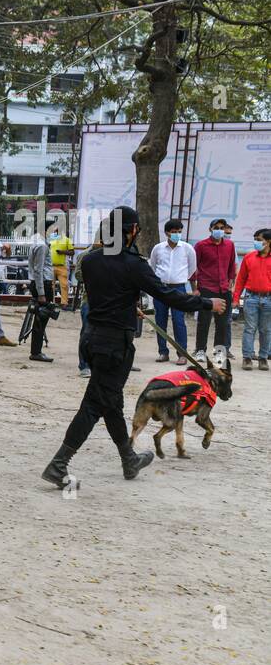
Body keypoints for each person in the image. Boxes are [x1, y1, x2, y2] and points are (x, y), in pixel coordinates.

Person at [41, 206, 224, 488]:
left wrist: (128, 305)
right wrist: (206, 303)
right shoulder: (134, 264)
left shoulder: (90, 261)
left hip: (92, 338)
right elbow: (167, 295)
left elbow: (107, 294)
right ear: (132, 230)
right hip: (115, 345)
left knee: (111, 402)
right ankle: (58, 464)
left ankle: (128, 458)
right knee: (94, 404)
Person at [148, 218, 196, 365]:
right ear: (167, 233)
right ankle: (163, 352)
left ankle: (182, 354)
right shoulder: (158, 248)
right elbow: (153, 265)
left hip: (179, 288)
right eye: (174, 232)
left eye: (179, 232)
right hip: (161, 288)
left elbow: (192, 268)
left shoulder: (187, 248)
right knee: (160, 320)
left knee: (179, 320)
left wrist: (180, 279)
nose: (177, 234)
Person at [192, 218, 237, 361]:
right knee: (204, 321)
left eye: (222, 227)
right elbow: (194, 268)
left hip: (224, 290)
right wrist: (195, 288)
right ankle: (200, 350)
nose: (219, 230)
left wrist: (230, 284)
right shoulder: (201, 246)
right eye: (216, 227)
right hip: (206, 289)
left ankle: (219, 352)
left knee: (223, 323)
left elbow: (231, 266)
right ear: (210, 229)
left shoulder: (230, 245)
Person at [234, 227, 271, 371]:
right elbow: (241, 279)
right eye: (255, 240)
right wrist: (236, 299)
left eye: (259, 240)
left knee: (266, 330)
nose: (256, 242)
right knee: (249, 329)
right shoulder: (249, 257)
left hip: (269, 299)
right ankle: (247, 358)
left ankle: (263, 358)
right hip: (251, 298)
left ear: (268, 242)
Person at [26, 229, 55, 363]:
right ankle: (36, 351)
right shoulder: (42, 245)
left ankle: (36, 350)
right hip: (42, 283)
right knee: (41, 317)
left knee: (40, 317)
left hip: (40, 283)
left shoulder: (37, 242)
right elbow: (38, 269)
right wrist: (42, 292)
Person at [51, 227, 74, 307]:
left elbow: (72, 252)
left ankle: (64, 303)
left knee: (64, 285)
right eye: (55, 231)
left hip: (62, 266)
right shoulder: (50, 238)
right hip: (51, 266)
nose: (56, 232)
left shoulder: (67, 240)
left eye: (57, 231)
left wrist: (62, 252)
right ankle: (51, 302)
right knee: (50, 285)